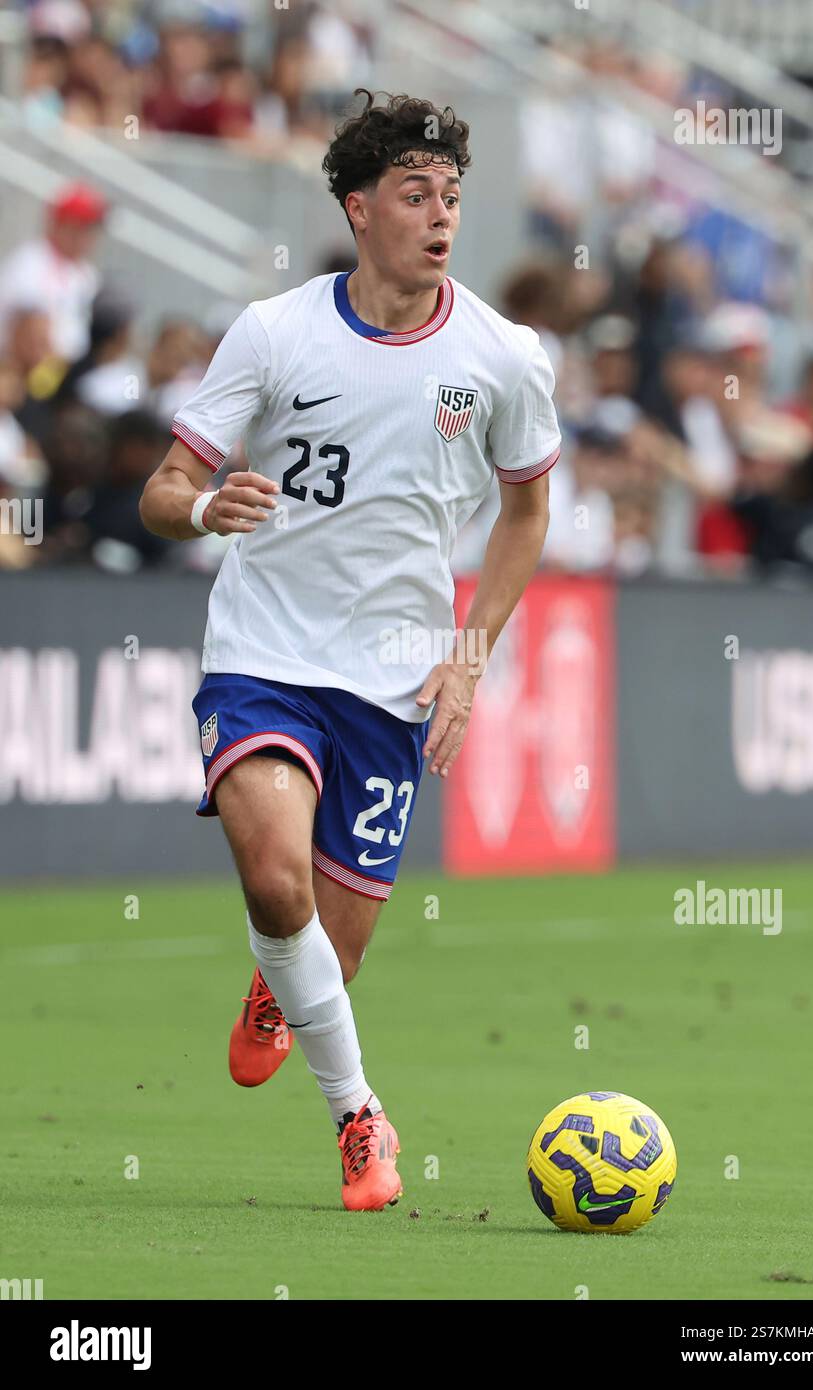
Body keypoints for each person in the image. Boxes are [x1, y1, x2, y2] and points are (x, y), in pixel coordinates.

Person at [139, 88, 560, 1211]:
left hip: (390, 678)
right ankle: (359, 1115)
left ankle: (282, 990)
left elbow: (525, 514)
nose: (439, 216)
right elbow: (162, 489)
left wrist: (469, 656)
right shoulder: (275, 332)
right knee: (274, 883)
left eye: (453, 197)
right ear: (358, 206)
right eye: (415, 194)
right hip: (264, 653)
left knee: (331, 941)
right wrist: (199, 511)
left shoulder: (504, 358)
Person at [0, 183, 107, 364]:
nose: (88, 236)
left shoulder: (87, 274)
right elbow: (27, 334)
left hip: (63, 375)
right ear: (61, 224)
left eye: (91, 228)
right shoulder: (31, 261)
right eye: (83, 226)